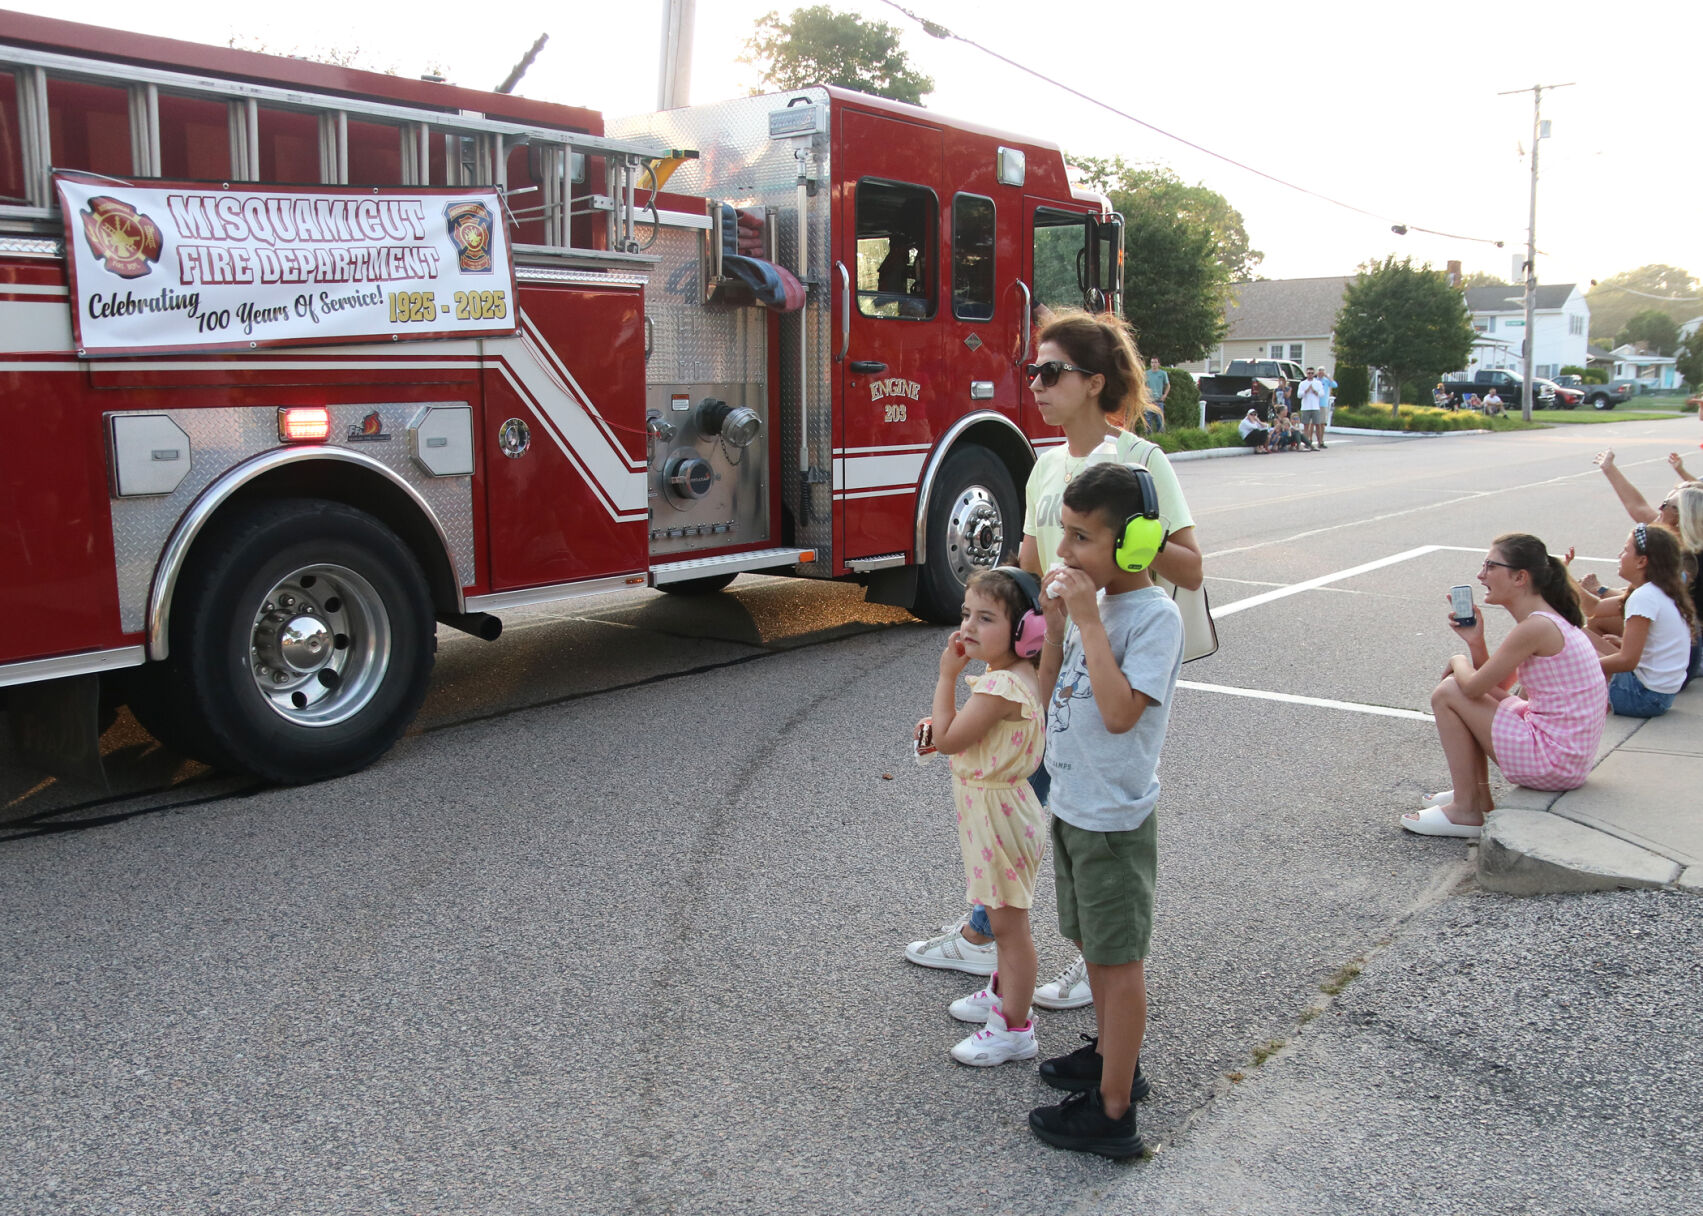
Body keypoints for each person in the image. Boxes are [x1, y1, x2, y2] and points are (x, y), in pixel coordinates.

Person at [905, 308, 1203, 1015]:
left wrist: (1128, 542)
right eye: (1030, 371)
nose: (1034, 383)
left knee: (1085, 818)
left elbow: (1189, 568)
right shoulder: (1043, 466)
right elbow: (1031, 569)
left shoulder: (1141, 463)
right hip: (1045, 672)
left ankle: (1087, 959)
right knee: (1012, 800)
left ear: (1094, 381)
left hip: (1108, 660)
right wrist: (992, 631)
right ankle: (991, 936)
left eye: (1049, 371)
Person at [1027, 462, 1184, 1158]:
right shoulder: (1095, 610)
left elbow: (1120, 714)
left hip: (1112, 822)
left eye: (1082, 537)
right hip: (1072, 806)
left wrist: (1088, 621)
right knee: (1092, 944)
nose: (1064, 552)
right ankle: (1109, 1056)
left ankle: (1114, 1108)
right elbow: (1046, 701)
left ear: (1135, 546)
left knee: (1118, 964)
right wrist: (1059, 629)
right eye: (1065, 532)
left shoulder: (1153, 617)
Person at [917, 567, 1047, 1065]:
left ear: (1025, 632)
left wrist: (947, 678)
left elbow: (950, 740)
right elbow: (963, 736)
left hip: (1000, 817)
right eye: (967, 613)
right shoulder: (1005, 676)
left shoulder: (1002, 688)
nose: (968, 627)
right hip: (996, 812)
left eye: (986, 618)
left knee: (1010, 929)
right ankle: (1002, 993)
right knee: (1002, 917)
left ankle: (1014, 1027)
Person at [1402, 534, 1607, 838]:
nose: (1480, 575)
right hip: (1567, 757)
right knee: (1463, 689)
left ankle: (1466, 810)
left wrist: (1458, 659)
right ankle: (1475, 795)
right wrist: (1475, 642)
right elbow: (1491, 687)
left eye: (1490, 566)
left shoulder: (1535, 627)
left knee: (1448, 691)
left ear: (1520, 577)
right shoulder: (1546, 620)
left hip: (1554, 762)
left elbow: (1471, 689)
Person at [1588, 524, 1697, 718]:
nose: (1620, 555)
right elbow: (1593, 609)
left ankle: (1528, 707)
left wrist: (1583, 668)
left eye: (1626, 550)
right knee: (1578, 635)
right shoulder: (1660, 590)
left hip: (1640, 697)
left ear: (1642, 561)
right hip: (1661, 696)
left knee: (1563, 641)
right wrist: (1564, 575)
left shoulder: (1644, 596)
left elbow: (1627, 660)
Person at [1297, 369, 1326, 450]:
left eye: (1312, 373)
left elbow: (1322, 393)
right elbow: (1299, 395)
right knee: (1306, 425)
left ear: (1314, 374)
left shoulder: (1318, 383)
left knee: (1318, 425)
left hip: (1315, 407)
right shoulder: (1303, 383)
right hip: (1306, 407)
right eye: (1309, 373)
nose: (1310, 375)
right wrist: (1306, 391)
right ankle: (1307, 442)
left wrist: (1315, 391)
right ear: (1306, 374)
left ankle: (1320, 442)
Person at [1143, 356, 1169, 434]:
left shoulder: (1163, 374)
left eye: (1155, 362)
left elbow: (1168, 385)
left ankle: (1160, 439)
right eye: (1152, 362)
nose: (1154, 364)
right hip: (1149, 401)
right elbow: (1143, 385)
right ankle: (1149, 438)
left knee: (1160, 422)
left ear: (1158, 363)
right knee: (1147, 422)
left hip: (1159, 401)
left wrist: (1165, 395)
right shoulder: (1147, 373)